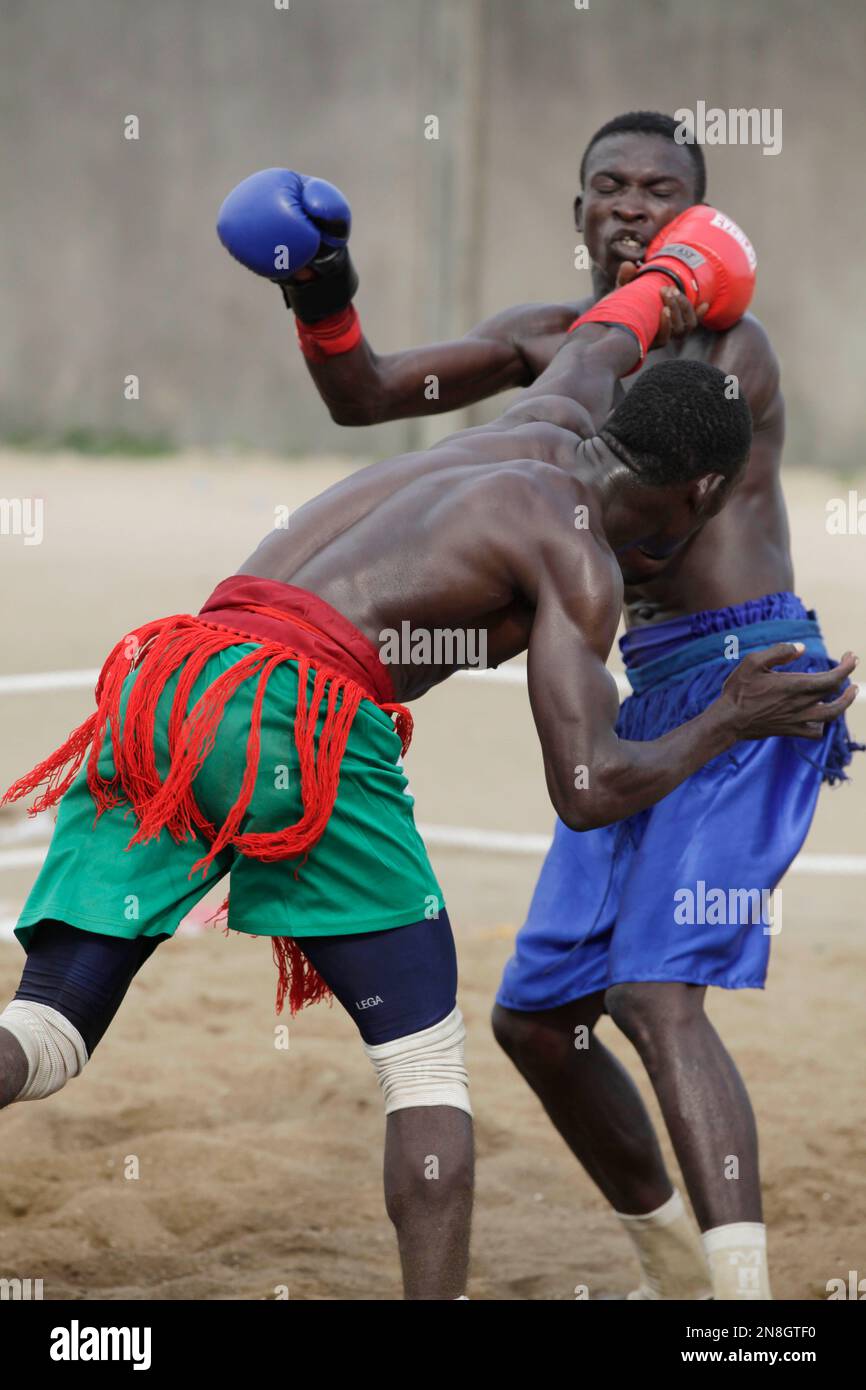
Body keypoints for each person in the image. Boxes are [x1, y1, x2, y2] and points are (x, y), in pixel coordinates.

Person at [2, 250, 855, 1300]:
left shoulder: (541, 416)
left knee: (44, 1033)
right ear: (702, 491)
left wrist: (673, 280)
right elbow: (585, 787)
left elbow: (588, 340)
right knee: (424, 1069)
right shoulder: (575, 555)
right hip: (293, 714)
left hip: (165, 680)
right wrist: (729, 716)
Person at [233, 112, 863, 1300]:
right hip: (640, 688)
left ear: (697, 219)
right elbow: (366, 393)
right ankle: (676, 1272)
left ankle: (748, 1315)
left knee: (649, 992)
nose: (628, 207)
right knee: (536, 1020)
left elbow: (616, 391)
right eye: (607, 188)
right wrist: (321, 290)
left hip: (747, 677)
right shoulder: (550, 339)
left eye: (658, 193)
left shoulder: (727, 352)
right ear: (575, 212)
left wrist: (613, 328)